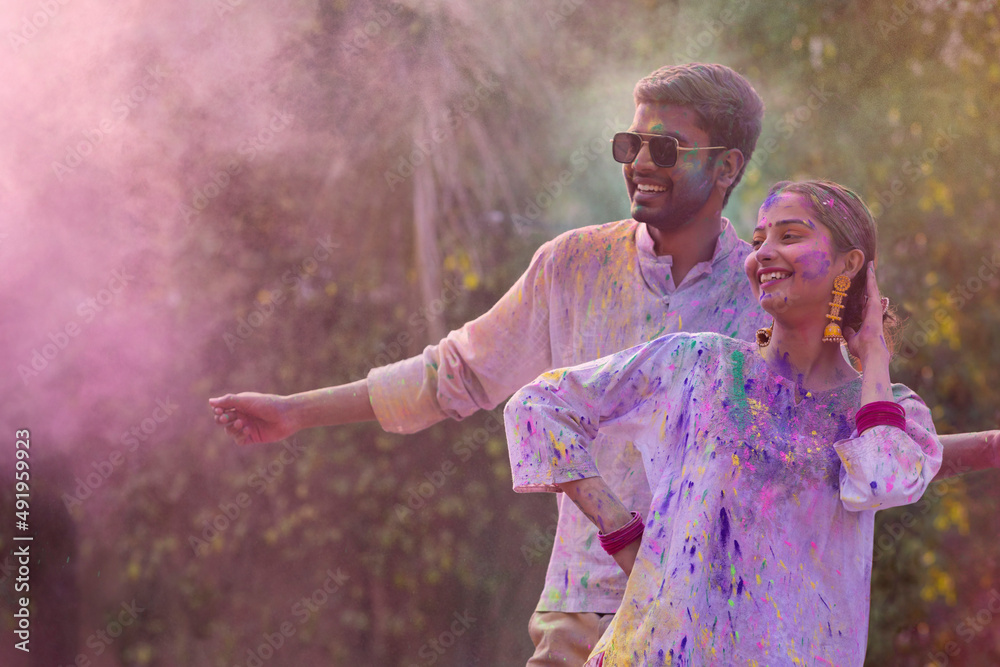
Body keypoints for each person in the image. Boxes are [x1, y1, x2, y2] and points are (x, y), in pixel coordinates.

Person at [208, 64, 999, 665]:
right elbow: (455, 376)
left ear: (727, 168)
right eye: (631, 144)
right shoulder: (576, 268)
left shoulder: (772, 298)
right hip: (587, 608)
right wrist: (296, 408)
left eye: (665, 146)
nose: (640, 162)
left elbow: (841, 453)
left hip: (726, 622)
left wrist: (969, 445)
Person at [504, 179, 942, 665]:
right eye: (758, 242)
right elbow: (537, 407)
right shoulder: (700, 364)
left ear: (849, 263)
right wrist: (625, 535)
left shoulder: (893, 414)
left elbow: (882, 480)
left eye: (790, 236)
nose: (764, 255)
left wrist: (875, 357)